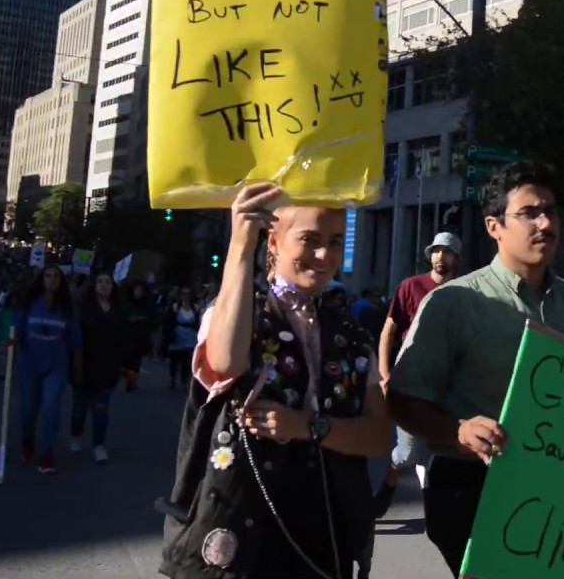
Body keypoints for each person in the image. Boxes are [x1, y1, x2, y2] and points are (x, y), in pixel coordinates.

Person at [158, 183, 392, 578]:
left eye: (335, 241)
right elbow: (227, 361)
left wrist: (309, 426)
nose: (324, 255)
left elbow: (379, 436)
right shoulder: (236, 313)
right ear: (274, 241)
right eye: (309, 239)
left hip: (322, 536)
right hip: (240, 533)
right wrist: (238, 246)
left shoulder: (351, 335)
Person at [386, 161, 564, 576]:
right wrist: (459, 431)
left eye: (550, 211)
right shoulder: (454, 302)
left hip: (555, 487)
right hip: (472, 489)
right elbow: (403, 400)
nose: (545, 222)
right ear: (494, 226)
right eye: (529, 212)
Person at [373, 231, 462, 517]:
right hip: (410, 376)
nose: (440, 257)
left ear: (455, 258)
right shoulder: (410, 287)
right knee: (409, 451)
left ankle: (437, 507)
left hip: (447, 381)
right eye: (435, 251)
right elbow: (389, 331)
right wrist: (385, 374)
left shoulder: (464, 291)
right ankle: (388, 484)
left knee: (442, 447)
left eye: (446, 252)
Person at [12, 266, 83, 475]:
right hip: (29, 365)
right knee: (27, 410)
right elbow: (18, 332)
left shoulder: (68, 309)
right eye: (48, 276)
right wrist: (12, 342)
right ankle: (28, 441)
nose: (52, 280)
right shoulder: (29, 305)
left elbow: (75, 341)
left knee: (51, 407)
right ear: (41, 279)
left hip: (56, 366)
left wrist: (78, 370)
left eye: (56, 277)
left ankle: (47, 452)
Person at [70, 273, 125, 464]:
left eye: (107, 282)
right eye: (100, 281)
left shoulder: (118, 311)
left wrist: (122, 366)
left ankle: (98, 445)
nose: (103, 285)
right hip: (84, 364)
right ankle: (75, 435)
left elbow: (123, 340)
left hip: (107, 367)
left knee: (101, 409)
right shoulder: (84, 309)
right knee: (79, 408)